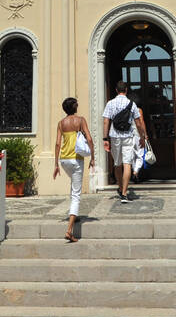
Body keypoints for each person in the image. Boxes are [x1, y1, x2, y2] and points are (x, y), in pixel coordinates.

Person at [52, 98, 95, 242]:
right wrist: (93, 157)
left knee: (73, 186)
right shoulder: (80, 120)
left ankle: (73, 215)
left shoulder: (61, 123)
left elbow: (58, 143)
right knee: (77, 194)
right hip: (76, 159)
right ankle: (69, 231)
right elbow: (89, 138)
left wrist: (56, 164)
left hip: (64, 160)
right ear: (74, 107)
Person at [102, 81, 148, 204]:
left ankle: (120, 187)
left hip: (114, 135)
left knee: (117, 163)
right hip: (128, 135)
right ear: (126, 90)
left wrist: (105, 139)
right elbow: (138, 123)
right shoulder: (131, 104)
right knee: (127, 163)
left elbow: (106, 121)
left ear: (116, 90)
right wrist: (142, 137)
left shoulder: (110, 103)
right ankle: (124, 193)